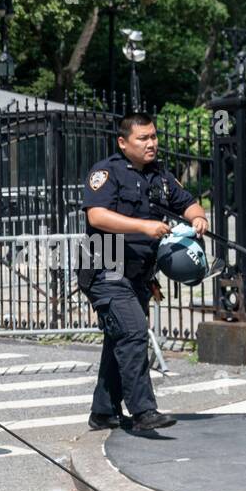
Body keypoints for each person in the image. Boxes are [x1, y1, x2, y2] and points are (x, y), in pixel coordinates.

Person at [82, 112, 206, 433]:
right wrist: (144, 226)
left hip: (138, 273)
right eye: (143, 138)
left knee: (120, 338)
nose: (151, 144)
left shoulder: (160, 176)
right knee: (134, 332)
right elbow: (97, 216)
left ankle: (104, 411)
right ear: (123, 143)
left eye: (153, 137)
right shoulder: (107, 172)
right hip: (106, 266)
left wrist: (198, 218)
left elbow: (189, 203)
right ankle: (143, 412)